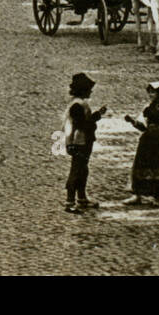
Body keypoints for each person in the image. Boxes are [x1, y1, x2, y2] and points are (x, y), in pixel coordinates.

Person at [63, 73, 106, 213]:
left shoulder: (79, 103)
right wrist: (93, 122)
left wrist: (98, 115)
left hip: (83, 140)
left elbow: (85, 121)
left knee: (83, 169)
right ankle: (70, 201)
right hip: (79, 141)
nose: (91, 91)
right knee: (76, 170)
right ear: (83, 90)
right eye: (88, 89)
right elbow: (81, 125)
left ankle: (81, 197)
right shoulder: (77, 105)